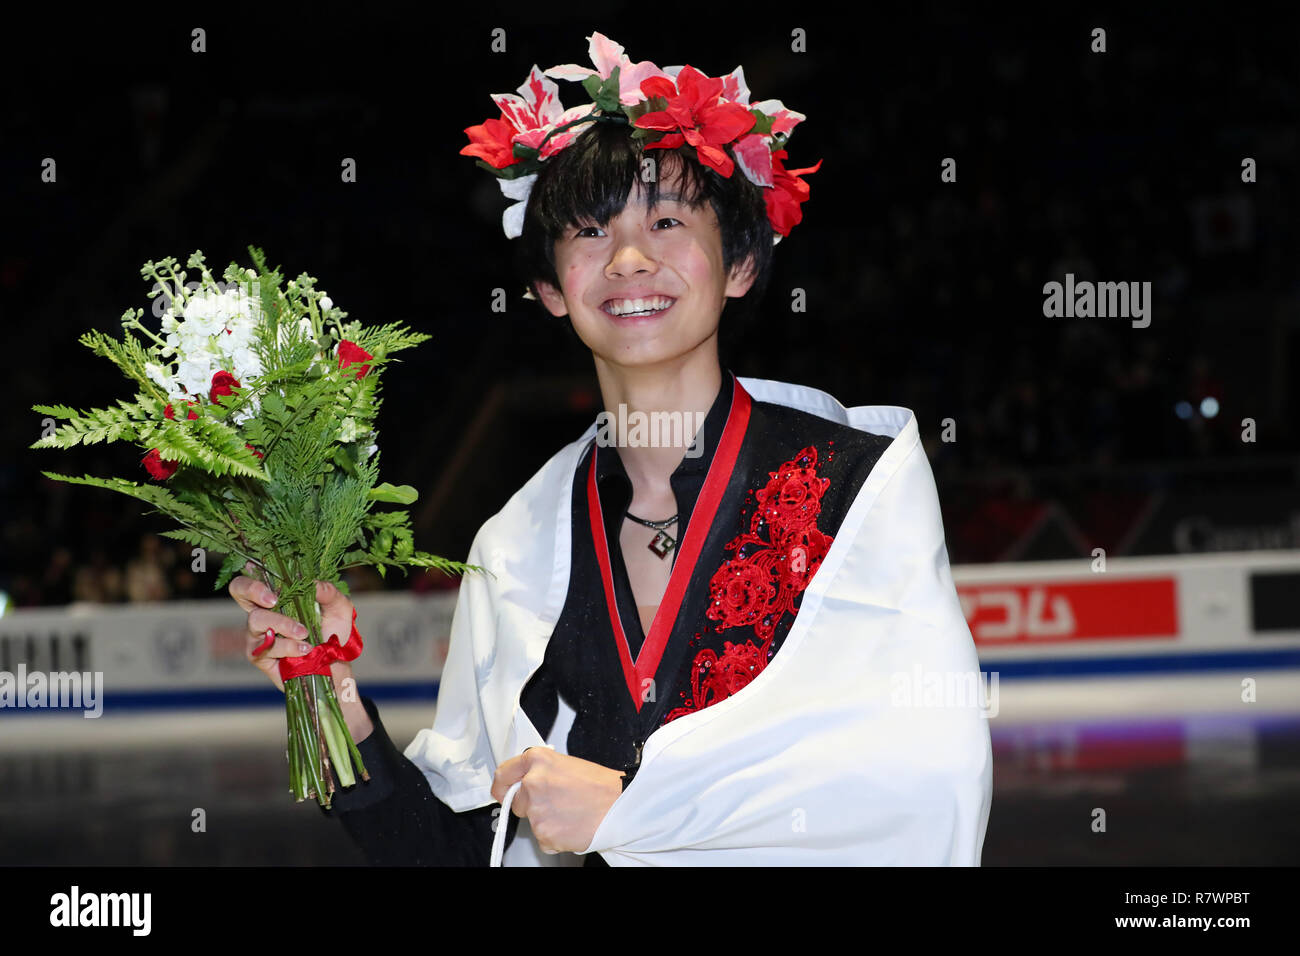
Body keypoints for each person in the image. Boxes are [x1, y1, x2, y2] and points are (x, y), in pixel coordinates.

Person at [229, 33, 992, 866]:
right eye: (590, 230)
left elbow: (927, 779)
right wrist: (334, 696)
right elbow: (451, 853)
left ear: (739, 263)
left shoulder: (855, 487)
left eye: (666, 220)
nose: (629, 259)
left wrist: (631, 810)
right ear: (551, 289)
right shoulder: (521, 545)